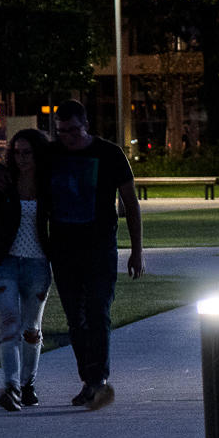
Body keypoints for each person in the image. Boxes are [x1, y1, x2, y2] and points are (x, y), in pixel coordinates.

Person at [43, 100, 143, 409]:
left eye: (73, 131)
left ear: (86, 125)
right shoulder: (52, 154)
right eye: (61, 132)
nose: (68, 138)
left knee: (98, 310)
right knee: (76, 317)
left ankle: (97, 380)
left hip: (99, 247)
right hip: (63, 248)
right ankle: (89, 379)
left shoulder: (109, 154)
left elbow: (131, 203)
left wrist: (136, 251)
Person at [0, 128, 53, 413]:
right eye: (16, 152)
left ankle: (27, 384)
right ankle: (12, 387)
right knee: (9, 326)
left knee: (31, 329)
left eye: (27, 153)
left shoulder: (49, 184)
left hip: (37, 265)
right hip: (4, 265)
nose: (21, 158)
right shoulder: (3, 182)